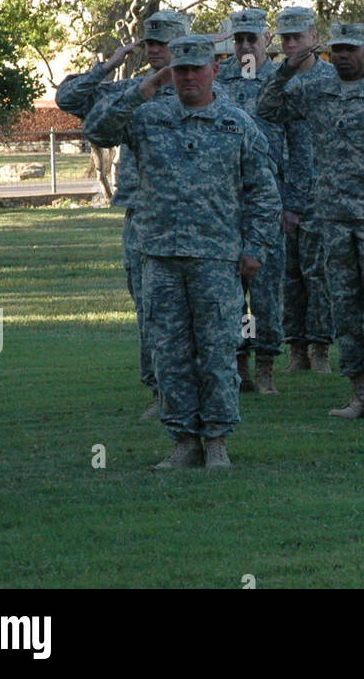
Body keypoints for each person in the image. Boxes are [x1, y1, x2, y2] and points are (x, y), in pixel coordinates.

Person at [83, 34, 280, 468]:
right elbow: (95, 128)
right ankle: (183, 440)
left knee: (216, 352)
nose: (188, 77)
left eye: (197, 69)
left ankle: (216, 442)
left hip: (215, 258)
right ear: (170, 73)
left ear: (213, 71)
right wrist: (139, 90)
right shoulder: (147, 118)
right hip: (161, 257)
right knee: (170, 355)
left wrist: (256, 248)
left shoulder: (236, 124)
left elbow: (263, 193)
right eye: (180, 69)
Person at [257, 21, 364, 422]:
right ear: (328, 52)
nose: (344, 55)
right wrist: (285, 68)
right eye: (338, 49)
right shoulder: (314, 91)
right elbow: (266, 109)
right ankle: (357, 393)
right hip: (332, 217)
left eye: (351, 48)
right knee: (344, 307)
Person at [63, 9, 189, 418]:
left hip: (200, 215)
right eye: (149, 43)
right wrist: (111, 63)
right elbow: (71, 100)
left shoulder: (204, 90)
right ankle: (159, 391)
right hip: (144, 212)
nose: (154, 51)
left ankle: (203, 391)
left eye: (162, 44)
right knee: (148, 304)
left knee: (201, 307)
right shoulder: (133, 91)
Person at [216, 8, 286, 396]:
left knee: (265, 290)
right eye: (238, 39)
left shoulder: (280, 81)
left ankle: (266, 367)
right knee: (231, 290)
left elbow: (297, 143)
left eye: (251, 39)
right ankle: (238, 365)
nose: (244, 45)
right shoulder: (219, 79)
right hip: (227, 201)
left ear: (266, 40)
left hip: (267, 200)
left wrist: (292, 203)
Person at [269, 6, 337, 373]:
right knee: (288, 276)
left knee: (320, 273)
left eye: (298, 37)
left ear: (314, 37)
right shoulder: (278, 82)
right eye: (286, 38)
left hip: (325, 195)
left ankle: (321, 348)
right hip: (283, 194)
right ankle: (295, 347)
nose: (292, 44)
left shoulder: (333, 78)